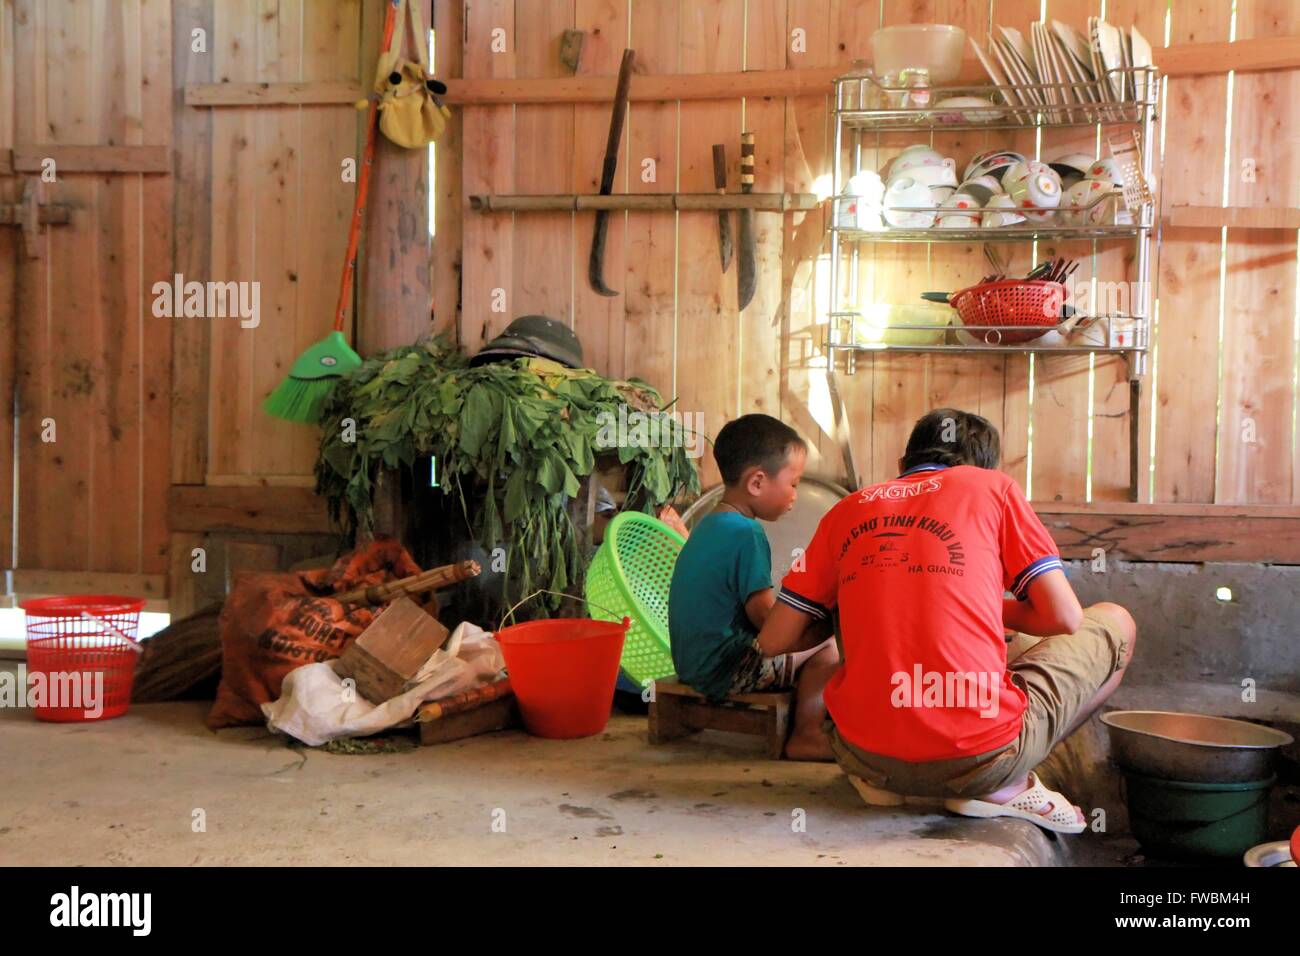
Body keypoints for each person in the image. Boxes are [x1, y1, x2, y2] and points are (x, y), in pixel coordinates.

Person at [757, 408, 1137, 832]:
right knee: (1116, 622)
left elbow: (773, 640)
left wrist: (858, 604)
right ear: (982, 468)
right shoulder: (994, 489)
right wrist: (982, 606)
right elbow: (1064, 617)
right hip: (980, 761)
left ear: (903, 467)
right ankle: (1004, 780)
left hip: (863, 756)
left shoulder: (847, 510)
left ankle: (890, 782)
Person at [668, 414, 840, 760]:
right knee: (830, 649)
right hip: (729, 671)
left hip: (691, 665)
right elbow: (766, 621)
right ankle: (806, 735)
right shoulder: (747, 533)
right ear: (757, 482)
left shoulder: (709, 524)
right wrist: (823, 622)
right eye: (793, 483)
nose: (795, 495)